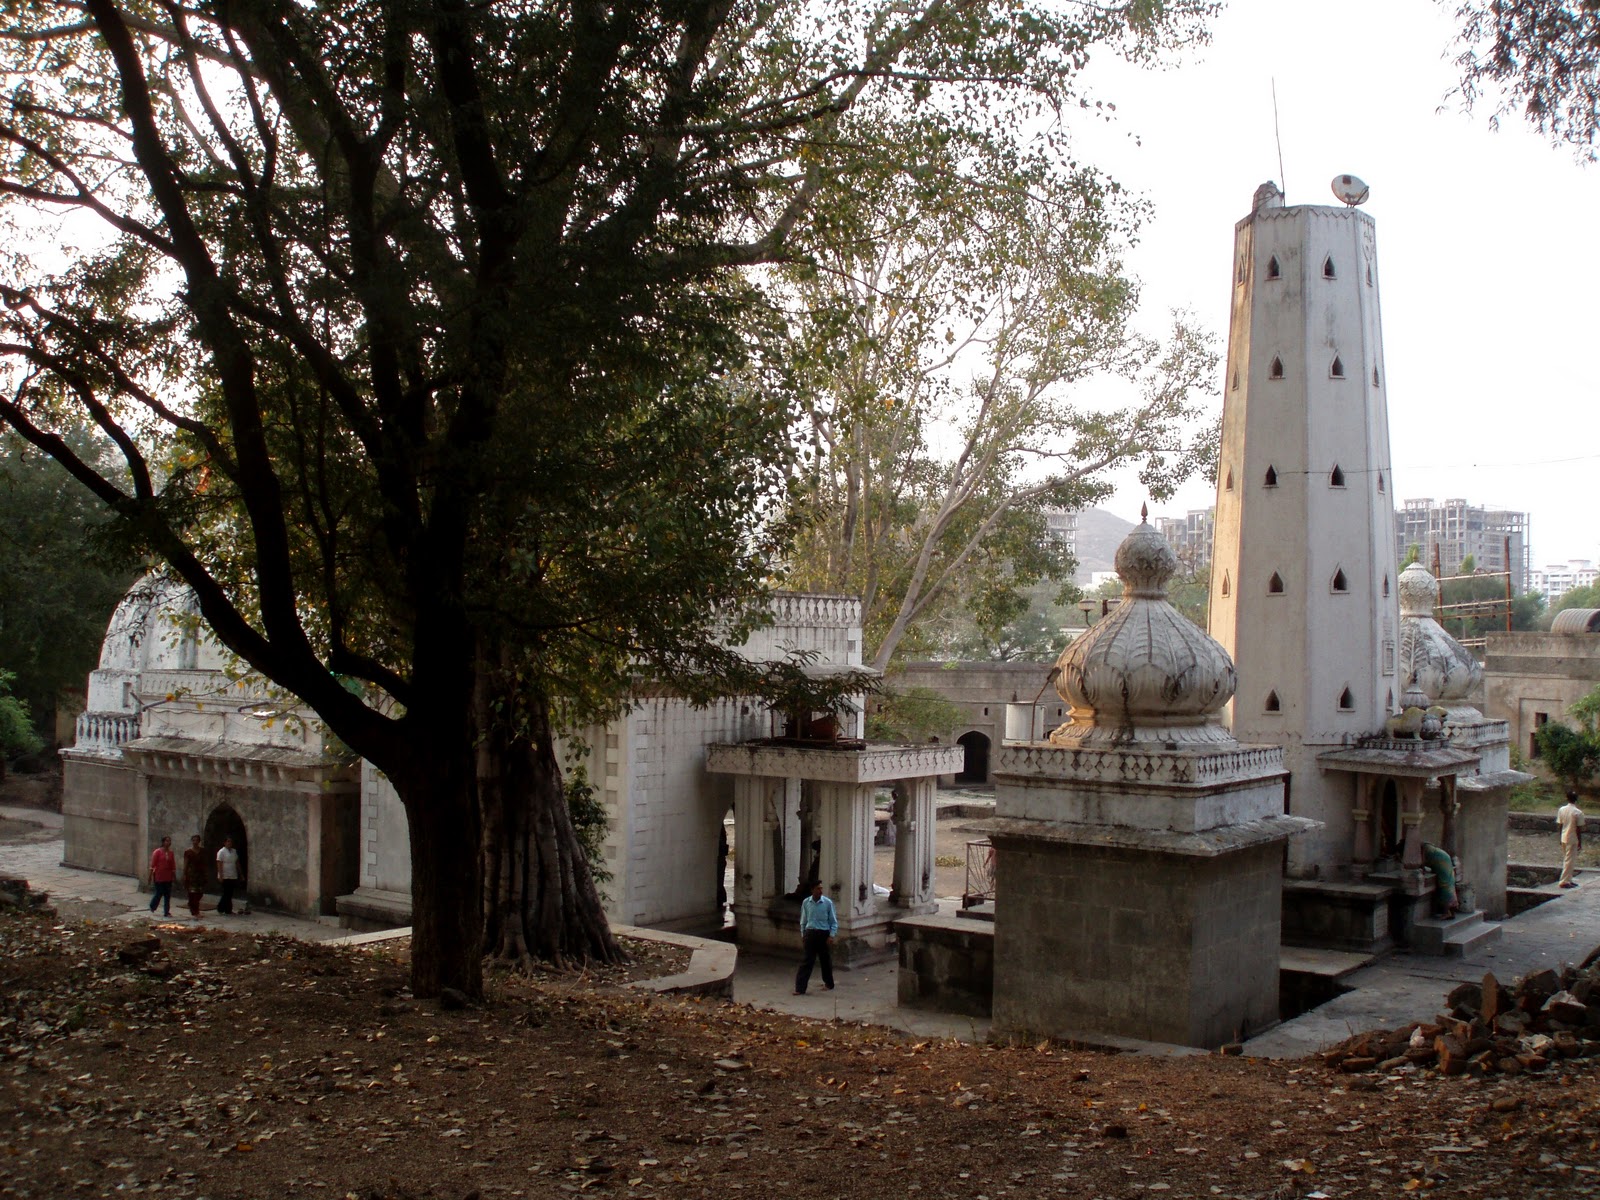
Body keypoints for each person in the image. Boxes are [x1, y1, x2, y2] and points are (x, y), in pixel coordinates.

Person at [793, 880, 837, 995]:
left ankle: (829, 983)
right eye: (818, 888)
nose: (820, 891)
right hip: (810, 933)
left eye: (821, 888)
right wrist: (803, 934)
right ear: (812, 890)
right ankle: (800, 988)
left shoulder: (827, 903)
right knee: (807, 961)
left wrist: (831, 935)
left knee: (825, 960)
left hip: (823, 934)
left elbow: (833, 921)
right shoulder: (806, 903)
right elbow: (803, 920)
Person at [1557, 791, 1585, 889]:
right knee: (1569, 861)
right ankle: (1564, 881)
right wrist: (1580, 842)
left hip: (1564, 837)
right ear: (1576, 799)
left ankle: (1568, 879)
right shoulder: (1578, 812)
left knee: (1567, 859)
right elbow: (1578, 829)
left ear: (1567, 798)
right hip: (1572, 838)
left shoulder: (1561, 810)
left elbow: (1560, 825)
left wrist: (1560, 837)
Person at [147, 836, 176, 917]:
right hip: (159, 876)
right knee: (159, 893)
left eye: (169, 841)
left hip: (168, 876)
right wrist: (150, 876)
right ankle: (153, 906)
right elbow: (153, 865)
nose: (168, 842)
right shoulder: (157, 852)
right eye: (167, 841)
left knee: (167, 895)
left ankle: (166, 912)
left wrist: (174, 876)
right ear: (163, 842)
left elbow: (173, 865)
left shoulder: (171, 853)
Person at [182, 835, 208, 919]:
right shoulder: (188, 852)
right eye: (193, 840)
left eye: (197, 840)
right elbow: (186, 864)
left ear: (199, 841)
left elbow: (204, 863)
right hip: (191, 875)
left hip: (200, 874)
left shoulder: (202, 851)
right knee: (193, 893)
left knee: (200, 892)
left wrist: (205, 873)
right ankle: (195, 911)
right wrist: (184, 874)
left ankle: (192, 905)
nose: (195, 842)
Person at [216, 836, 242, 914]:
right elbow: (219, 864)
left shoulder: (234, 851)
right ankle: (221, 907)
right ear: (224, 843)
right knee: (226, 892)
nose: (229, 843)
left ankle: (227, 909)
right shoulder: (221, 852)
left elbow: (237, 862)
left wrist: (241, 873)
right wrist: (221, 875)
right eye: (228, 841)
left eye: (230, 841)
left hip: (232, 874)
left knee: (230, 893)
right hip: (225, 874)